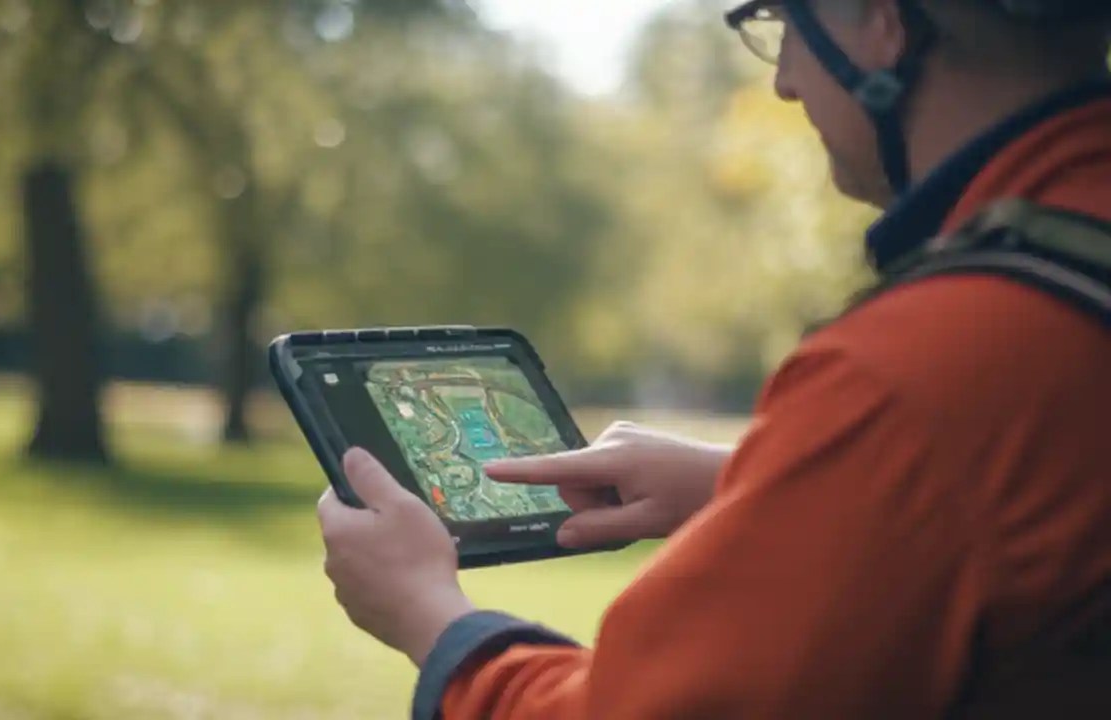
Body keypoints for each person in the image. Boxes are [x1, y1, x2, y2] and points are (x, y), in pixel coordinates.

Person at [316, 0, 1111, 717]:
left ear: (882, 21)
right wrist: (758, 484)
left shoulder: (917, 373)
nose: (787, 84)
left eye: (784, 24)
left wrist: (429, 614)